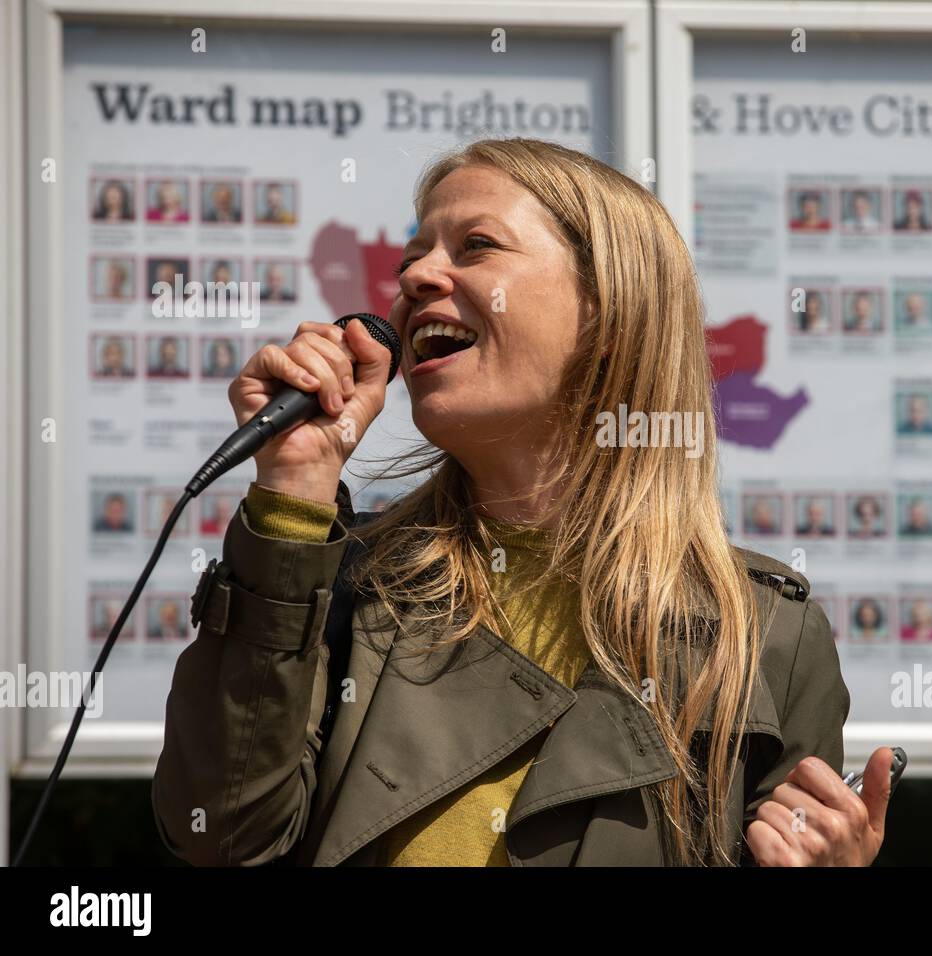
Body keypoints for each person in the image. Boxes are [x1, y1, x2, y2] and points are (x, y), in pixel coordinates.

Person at [155, 139, 893, 868]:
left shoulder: (764, 635)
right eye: (413, 256)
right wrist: (292, 491)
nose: (415, 276)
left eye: (476, 245)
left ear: (608, 315)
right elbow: (219, 837)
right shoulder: (346, 578)